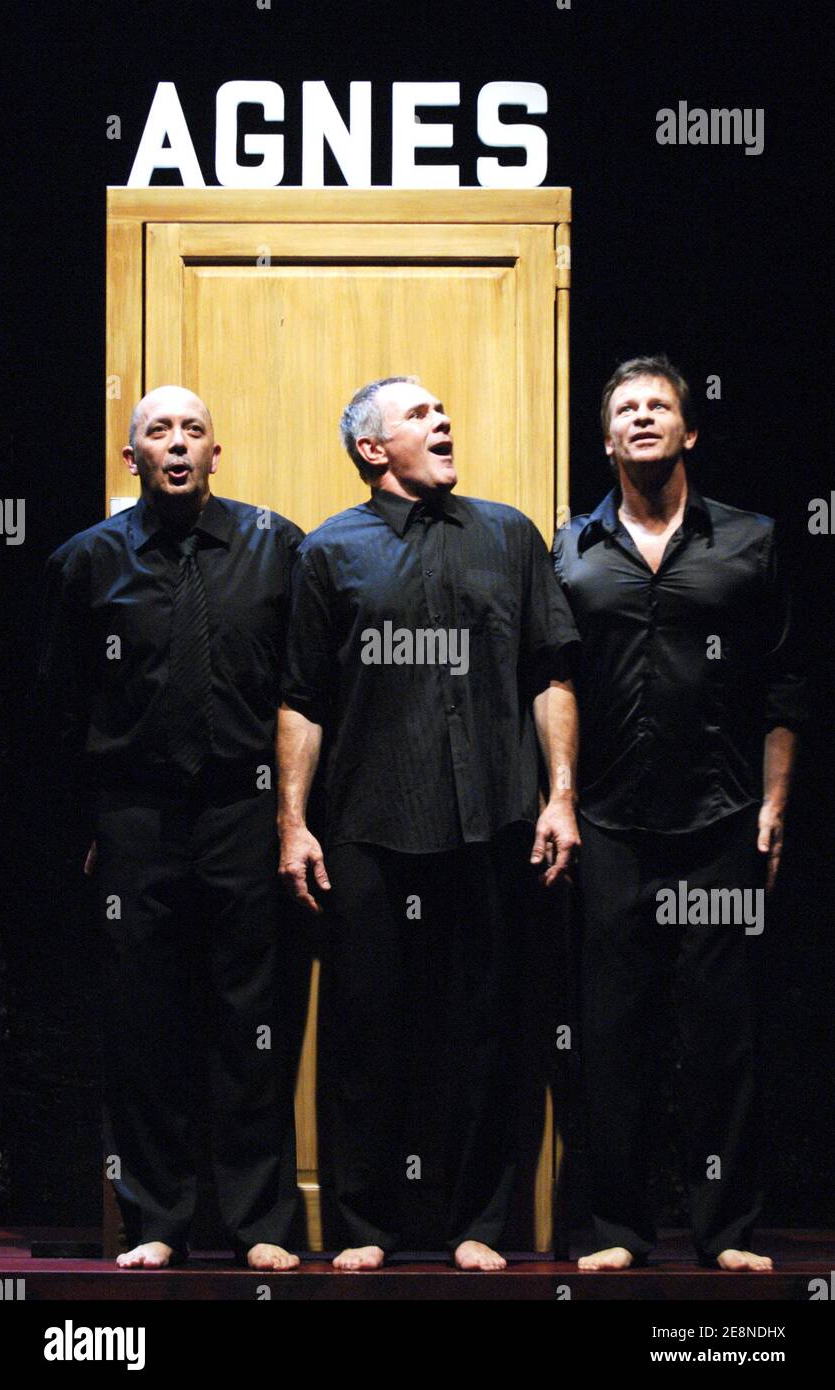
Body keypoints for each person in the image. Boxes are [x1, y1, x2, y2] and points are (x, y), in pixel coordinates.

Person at [277, 375, 581, 1270]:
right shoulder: (330, 552)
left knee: (489, 1029)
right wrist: (292, 821)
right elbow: (302, 699)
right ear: (373, 450)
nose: (442, 421)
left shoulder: (509, 536)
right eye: (418, 415)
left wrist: (560, 794)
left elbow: (550, 672)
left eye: (444, 409)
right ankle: (365, 1228)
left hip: (494, 822)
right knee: (366, 1034)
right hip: (370, 827)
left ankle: (479, 1225)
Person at [39, 386, 303, 1270]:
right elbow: (55, 706)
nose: (178, 443)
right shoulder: (87, 562)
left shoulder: (275, 547)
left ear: (216, 453)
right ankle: (156, 1219)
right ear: (134, 458)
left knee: (250, 1021)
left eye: (194, 430)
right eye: (159, 431)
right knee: (143, 1021)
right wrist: (85, 823)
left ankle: (259, 1224)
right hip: (136, 815)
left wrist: (294, 814)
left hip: (243, 809)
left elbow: (307, 691)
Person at [552, 355, 806, 1271]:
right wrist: (563, 798)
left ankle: (726, 1232)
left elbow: (785, 683)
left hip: (719, 821)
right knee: (612, 1032)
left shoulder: (751, 540)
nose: (642, 417)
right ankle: (620, 1231)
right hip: (612, 826)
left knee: (718, 1032)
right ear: (607, 436)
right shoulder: (569, 548)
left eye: (659, 405)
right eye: (625, 408)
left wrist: (774, 805)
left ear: (688, 431)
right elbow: (555, 679)